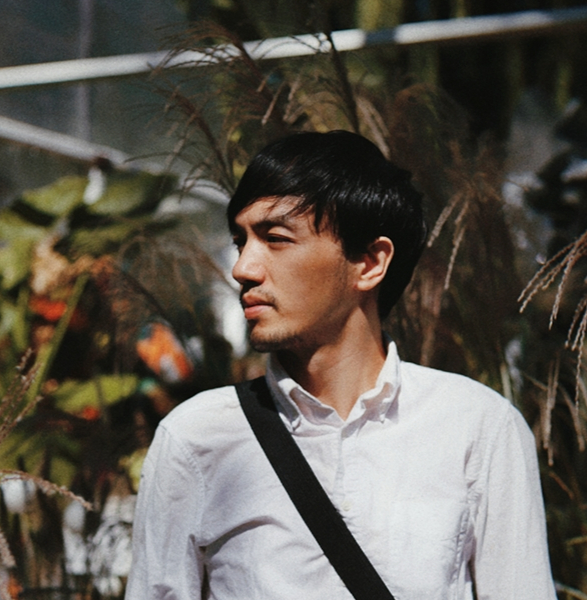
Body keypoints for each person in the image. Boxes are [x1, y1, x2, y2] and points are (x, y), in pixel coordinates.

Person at [125, 131, 557, 599]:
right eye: (240, 240)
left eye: (276, 238)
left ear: (369, 262)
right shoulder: (196, 437)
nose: (243, 268)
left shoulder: (477, 428)